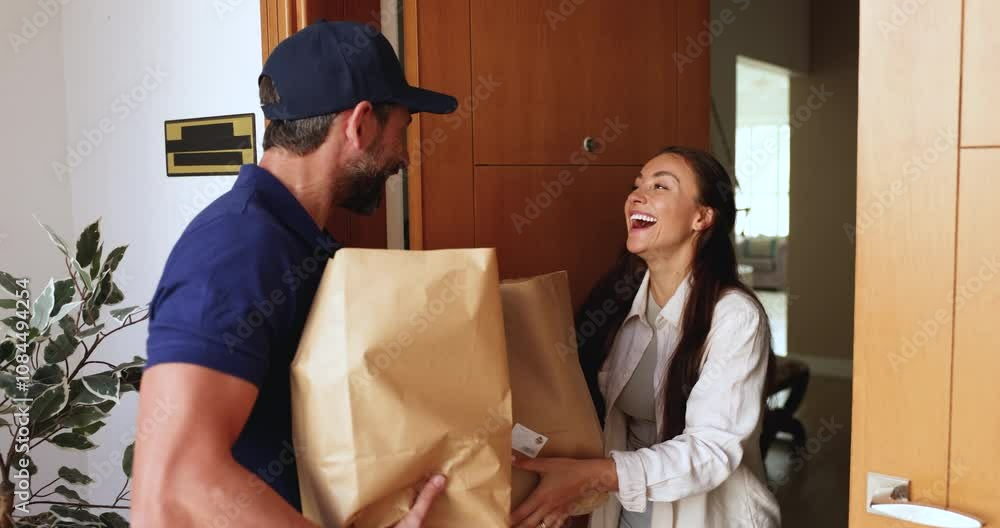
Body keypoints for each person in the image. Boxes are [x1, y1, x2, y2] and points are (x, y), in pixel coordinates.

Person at [131, 21, 458, 527]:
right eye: (405, 128)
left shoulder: (297, 244)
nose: (405, 157)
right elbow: (176, 481)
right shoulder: (237, 249)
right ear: (362, 123)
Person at [509, 147, 781, 528]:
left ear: (702, 217)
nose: (637, 195)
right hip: (625, 512)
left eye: (660, 186)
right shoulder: (615, 300)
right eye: (637, 185)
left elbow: (710, 449)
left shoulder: (735, 317)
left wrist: (594, 475)